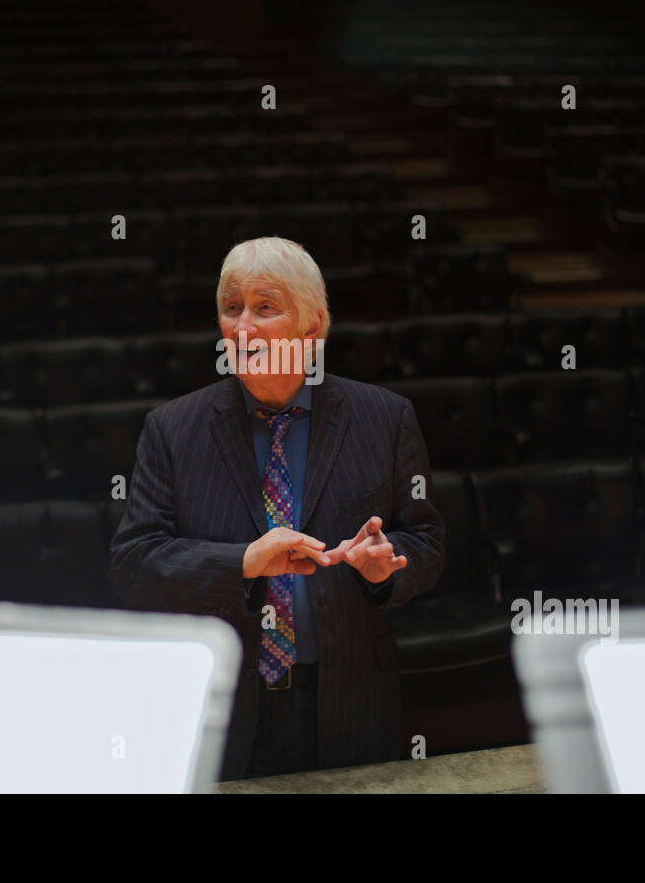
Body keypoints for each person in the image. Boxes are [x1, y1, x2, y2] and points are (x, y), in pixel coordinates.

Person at [108, 236, 445, 781]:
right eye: (231, 308)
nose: (242, 329)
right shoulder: (171, 429)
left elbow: (426, 544)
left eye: (265, 308)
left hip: (350, 696)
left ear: (310, 326)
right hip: (225, 704)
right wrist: (243, 561)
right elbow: (132, 564)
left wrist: (387, 567)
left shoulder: (385, 418)